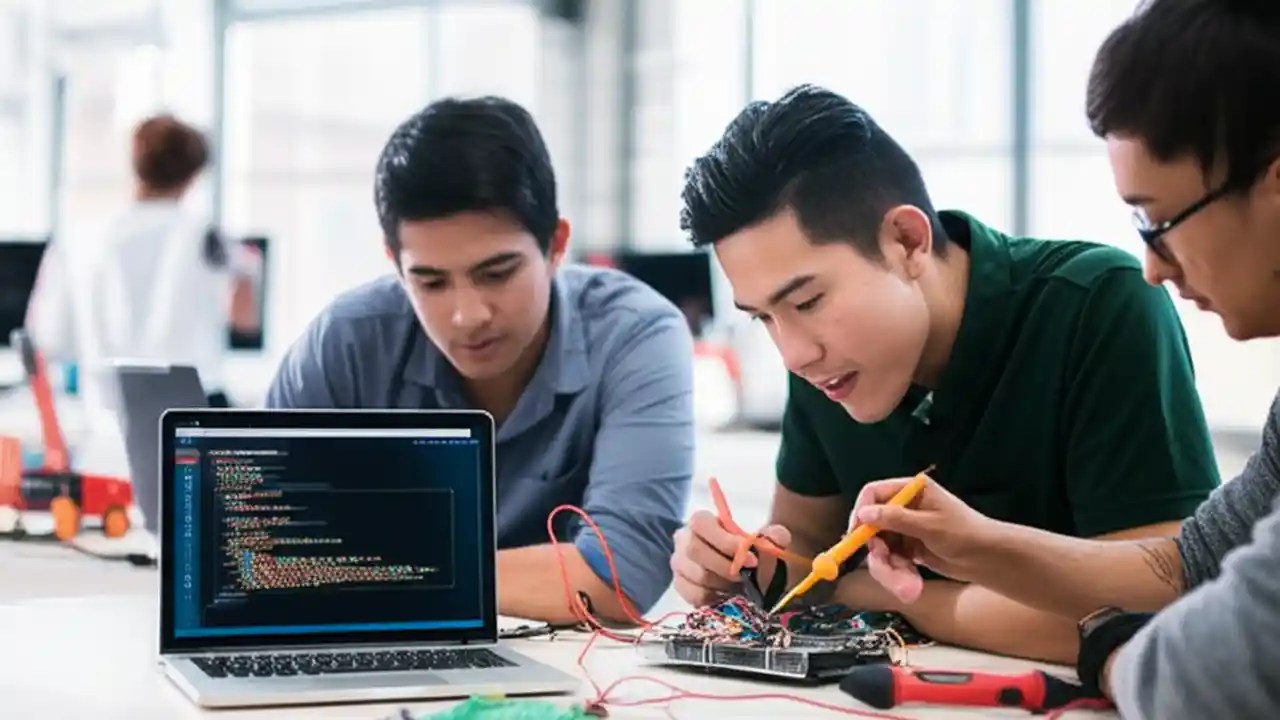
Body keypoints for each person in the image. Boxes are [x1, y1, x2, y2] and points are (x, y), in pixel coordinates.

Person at [671, 84, 1222, 664]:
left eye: (807, 302)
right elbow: (805, 558)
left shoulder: (1099, 304)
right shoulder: (825, 360)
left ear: (907, 242)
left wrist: (898, 598)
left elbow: (1157, 609)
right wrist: (740, 568)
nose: (793, 355)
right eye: (763, 318)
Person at [851, 1, 1280, 716]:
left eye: (1159, 222)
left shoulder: (1099, 297)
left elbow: (1208, 675)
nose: (1153, 267)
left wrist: (1111, 651)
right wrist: (975, 545)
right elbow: (1192, 564)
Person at [264, 96, 695, 624]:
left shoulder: (635, 333)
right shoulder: (349, 339)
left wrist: (363, 570)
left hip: (567, 674)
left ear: (556, 244)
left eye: (497, 273)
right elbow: (262, 549)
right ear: (395, 266)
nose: (468, 315)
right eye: (431, 281)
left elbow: (620, 578)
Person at [27, 114, 258, 466]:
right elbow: (244, 322)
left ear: (133, 162)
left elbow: (46, 340)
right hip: (188, 442)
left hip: (107, 444)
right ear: (194, 175)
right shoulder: (210, 239)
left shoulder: (79, 239)